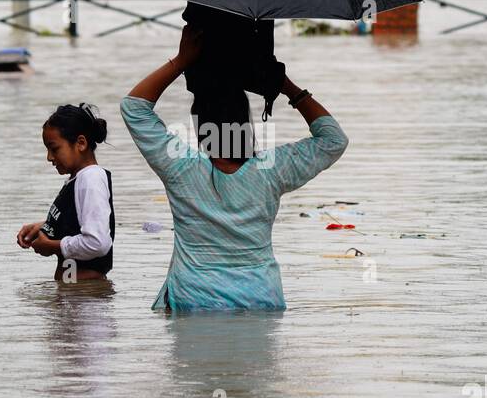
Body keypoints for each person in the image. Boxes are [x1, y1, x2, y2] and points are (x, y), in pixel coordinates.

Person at [121, 25, 348, 311]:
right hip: (261, 301)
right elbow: (334, 140)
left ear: (201, 130)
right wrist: (286, 85)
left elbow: (134, 108)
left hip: (194, 302)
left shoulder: (180, 167)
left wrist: (180, 61)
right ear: (247, 126)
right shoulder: (271, 170)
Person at [17, 103, 115, 281]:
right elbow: (77, 223)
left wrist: (53, 246)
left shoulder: (90, 179)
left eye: (54, 149)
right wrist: (46, 226)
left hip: (86, 297)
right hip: (75, 294)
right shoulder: (78, 179)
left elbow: (98, 243)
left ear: (81, 143)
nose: (49, 157)